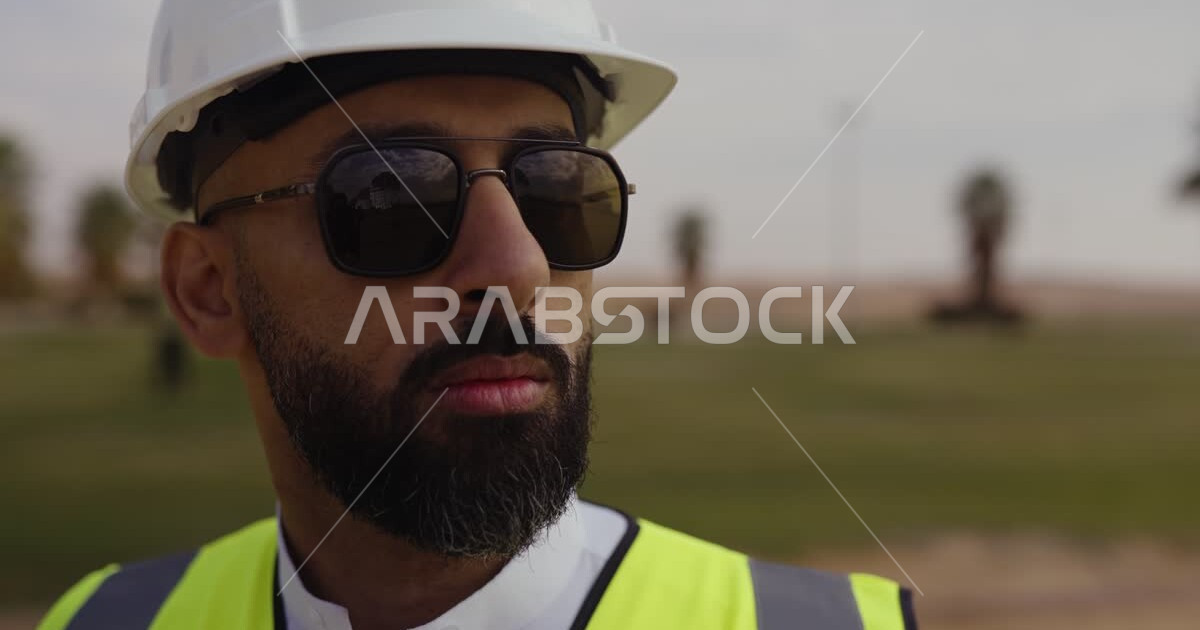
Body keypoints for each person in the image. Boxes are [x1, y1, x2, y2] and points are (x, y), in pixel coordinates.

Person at [39, 1, 918, 628]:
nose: (517, 265)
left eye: (558, 190)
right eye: (390, 195)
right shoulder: (107, 619)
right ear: (207, 290)